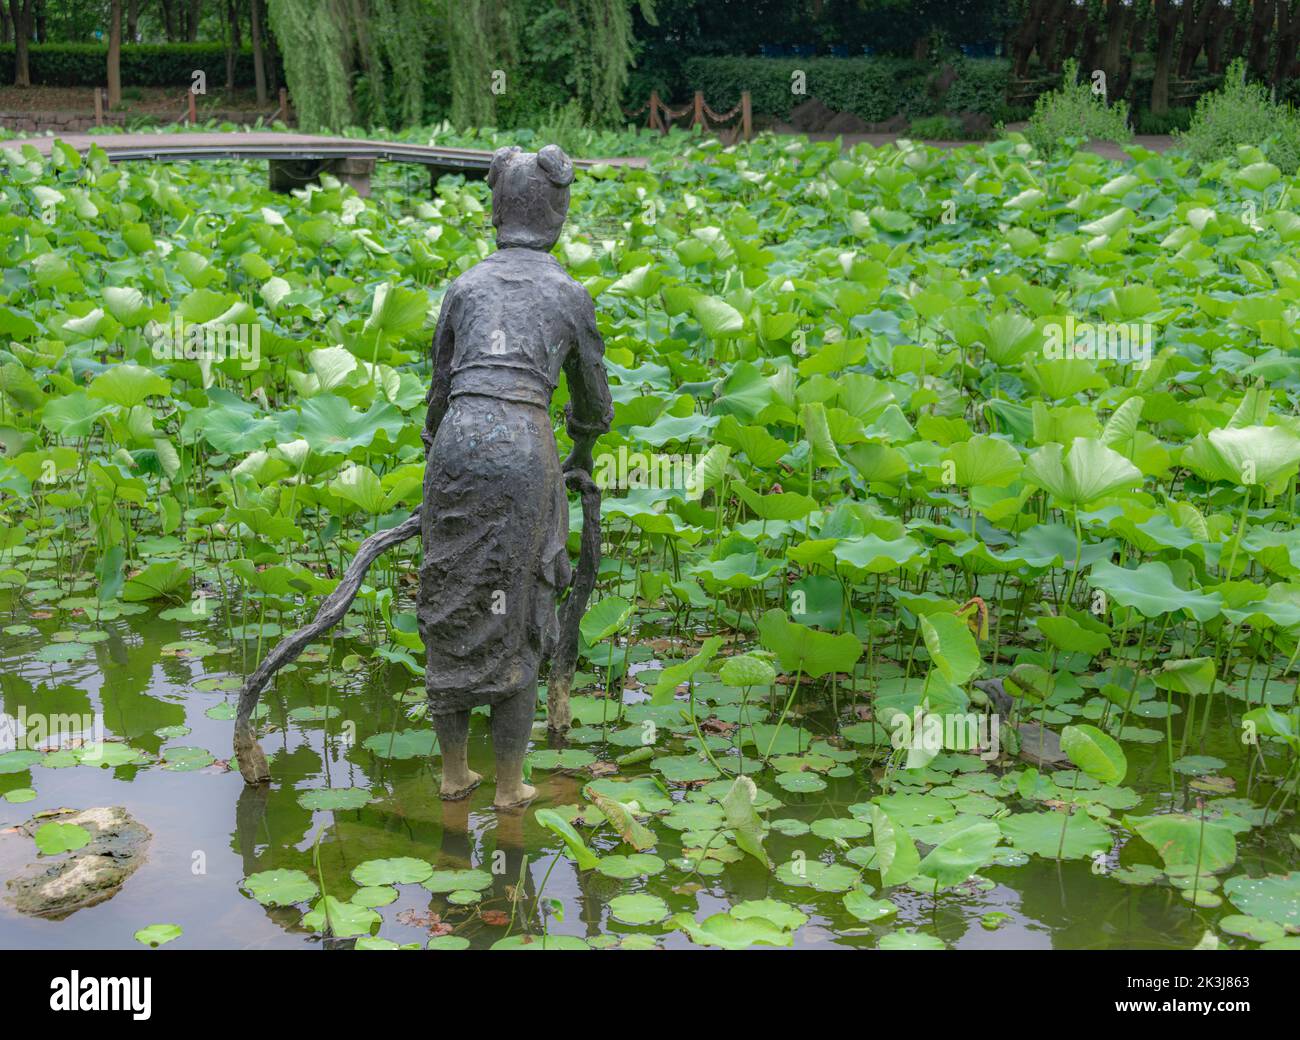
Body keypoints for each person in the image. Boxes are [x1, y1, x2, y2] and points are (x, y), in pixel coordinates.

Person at [419, 145, 613, 808]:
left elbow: (439, 393)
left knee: (450, 597)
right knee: (524, 606)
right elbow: (594, 403)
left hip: (457, 444)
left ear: (498, 209)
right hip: (526, 452)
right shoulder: (570, 293)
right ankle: (507, 784)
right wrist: (580, 455)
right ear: (556, 211)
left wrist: (439, 455)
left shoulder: (465, 286)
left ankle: (452, 774)